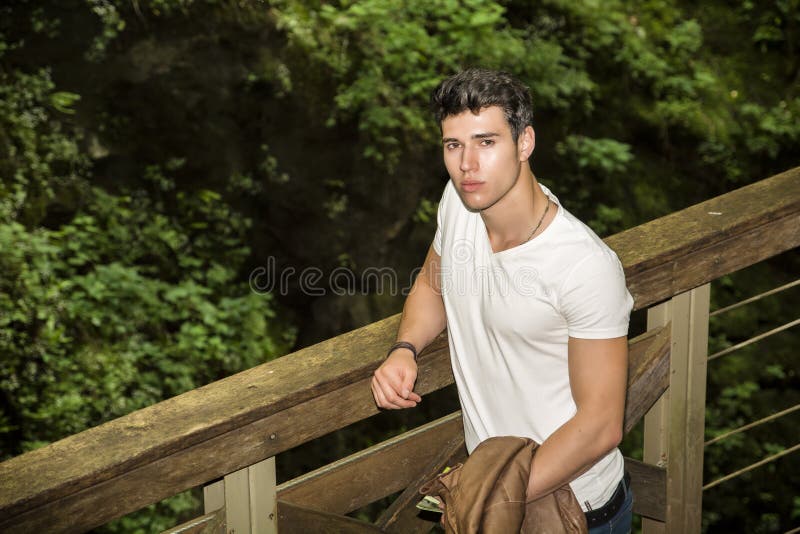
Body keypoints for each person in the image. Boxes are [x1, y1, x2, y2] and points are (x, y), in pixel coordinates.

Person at [370, 68, 634, 533]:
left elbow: (601, 425)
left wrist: (487, 496)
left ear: (524, 142)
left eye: (486, 142)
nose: (467, 164)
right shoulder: (458, 203)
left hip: (577, 510)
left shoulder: (583, 265)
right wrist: (404, 348)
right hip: (497, 495)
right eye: (454, 145)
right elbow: (433, 283)